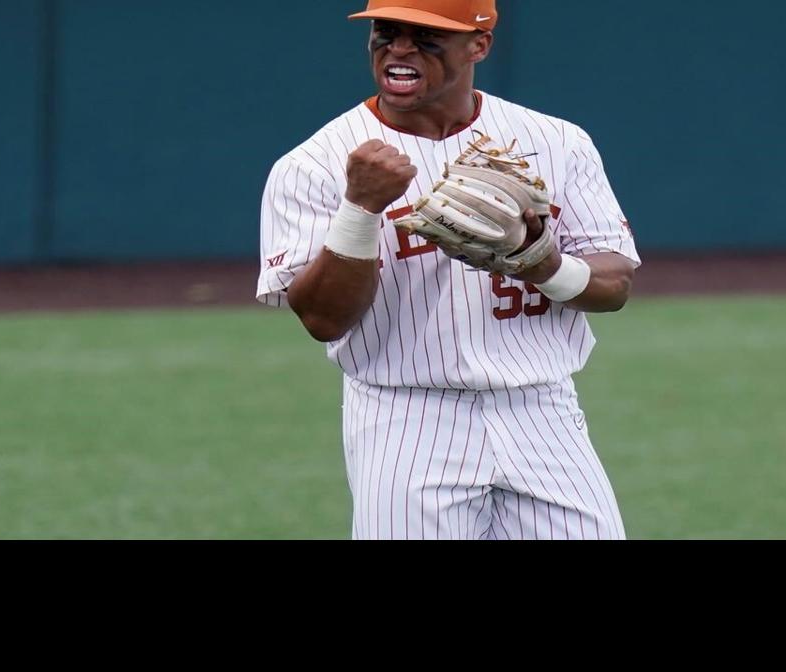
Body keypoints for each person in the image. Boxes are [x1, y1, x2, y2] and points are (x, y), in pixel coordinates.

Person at [257, 0, 640, 539]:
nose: (400, 48)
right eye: (386, 33)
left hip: (543, 409)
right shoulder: (316, 164)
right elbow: (322, 319)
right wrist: (359, 209)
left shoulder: (556, 142)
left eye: (425, 35)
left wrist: (544, 263)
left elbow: (614, 284)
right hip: (407, 419)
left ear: (478, 45)